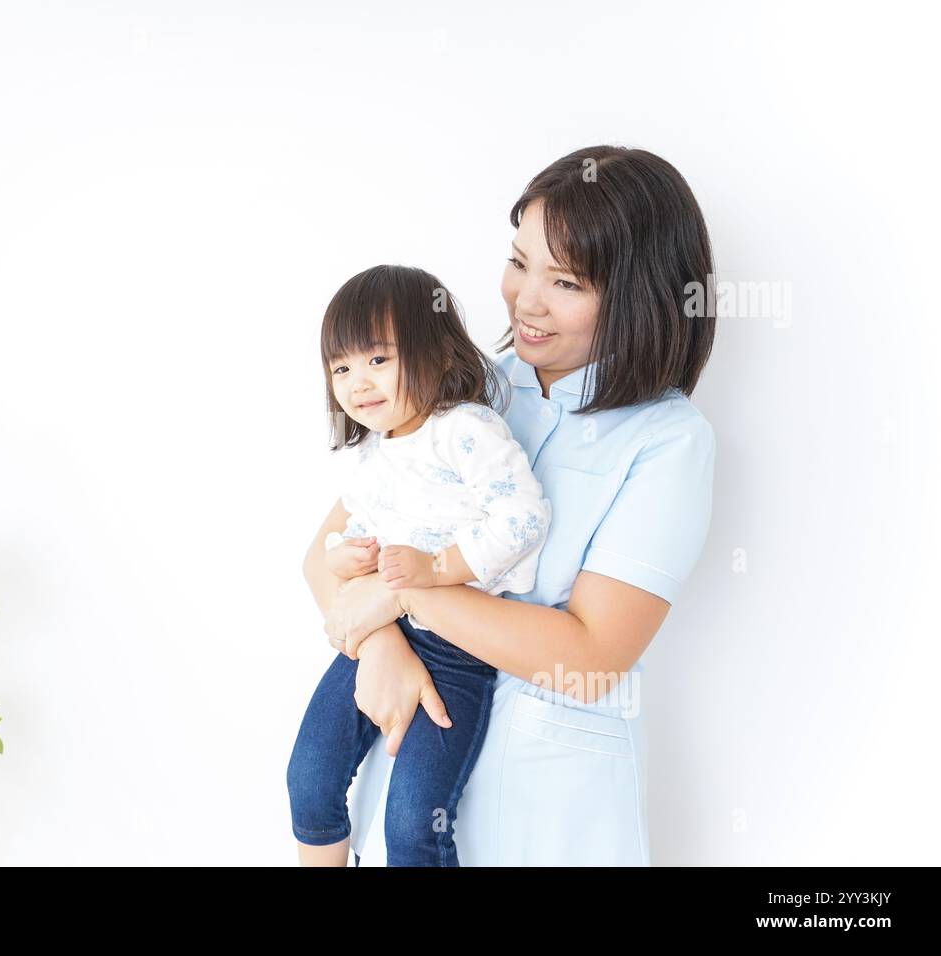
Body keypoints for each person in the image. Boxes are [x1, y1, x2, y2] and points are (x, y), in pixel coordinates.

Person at [302, 145, 717, 866]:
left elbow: (589, 653)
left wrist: (398, 600)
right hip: (403, 785)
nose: (526, 299)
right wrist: (380, 646)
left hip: (544, 812)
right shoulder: (465, 388)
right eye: (519, 262)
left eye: (565, 281)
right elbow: (326, 555)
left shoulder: (668, 442)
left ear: (640, 295)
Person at [286, 264, 550, 866]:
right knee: (309, 780)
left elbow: (524, 519)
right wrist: (347, 557)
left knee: (412, 825)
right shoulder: (373, 454)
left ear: (431, 350)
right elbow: (351, 537)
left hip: (460, 648)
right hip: (381, 632)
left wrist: (438, 568)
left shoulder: (464, 430)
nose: (358, 383)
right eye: (342, 368)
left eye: (377, 360)